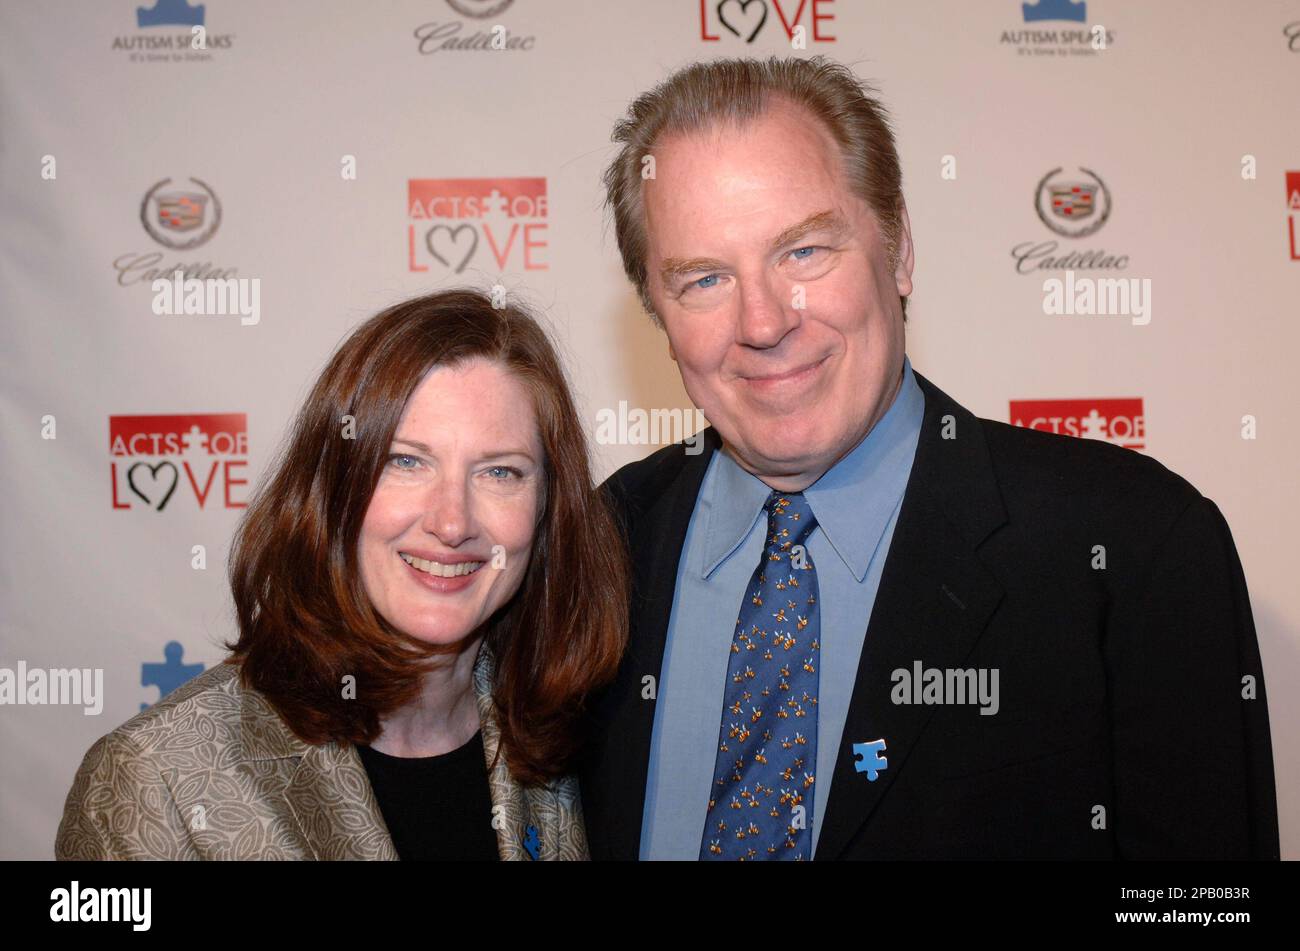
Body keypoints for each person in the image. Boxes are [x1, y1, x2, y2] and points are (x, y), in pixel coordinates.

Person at [579, 55, 1280, 860]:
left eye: (805, 251)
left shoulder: (1135, 547)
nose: (764, 321)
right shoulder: (596, 549)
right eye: (704, 278)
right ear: (658, 315)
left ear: (900, 250)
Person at [55, 288, 627, 860]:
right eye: (405, 461)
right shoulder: (154, 781)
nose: (452, 523)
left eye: (501, 471)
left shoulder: (568, 753)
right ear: (331, 490)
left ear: (549, 509)